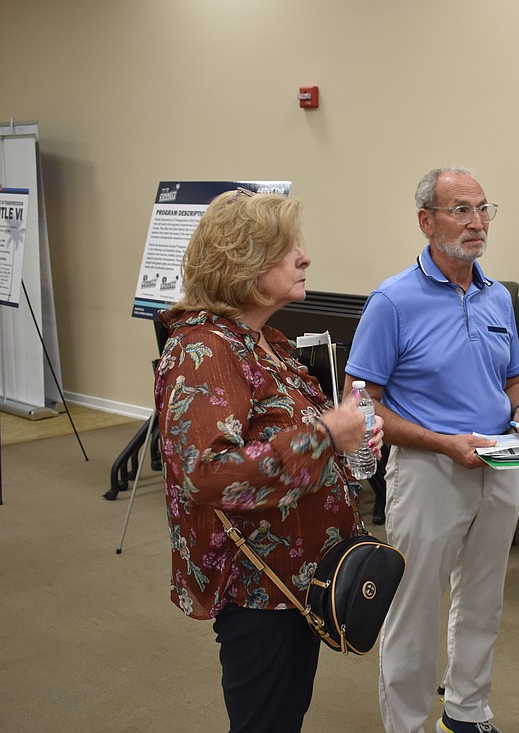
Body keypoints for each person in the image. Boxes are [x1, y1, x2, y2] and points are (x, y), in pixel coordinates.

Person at [154, 188, 382, 732]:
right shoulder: (205, 350)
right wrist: (327, 435)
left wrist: (347, 445)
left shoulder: (263, 342)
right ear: (242, 264)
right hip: (258, 592)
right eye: (287, 248)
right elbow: (209, 476)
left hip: (297, 583)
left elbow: (292, 443)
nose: (304, 256)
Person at [344, 167, 519, 733]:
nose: (477, 222)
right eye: (461, 209)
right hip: (429, 470)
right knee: (411, 607)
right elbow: (360, 404)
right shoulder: (393, 300)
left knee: (484, 599)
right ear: (426, 221)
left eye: (484, 209)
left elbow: (513, 380)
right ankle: (405, 724)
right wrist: (440, 442)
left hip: (502, 465)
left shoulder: (496, 296)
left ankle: (466, 712)